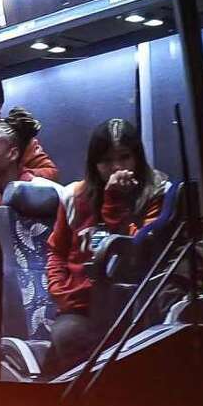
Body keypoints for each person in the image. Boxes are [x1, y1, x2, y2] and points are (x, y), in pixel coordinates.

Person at [44, 118, 173, 374]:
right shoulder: (74, 196)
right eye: (106, 160)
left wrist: (115, 202)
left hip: (131, 302)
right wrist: (59, 289)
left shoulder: (157, 192)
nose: (116, 168)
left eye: (124, 157)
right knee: (68, 337)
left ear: (137, 157)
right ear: (94, 163)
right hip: (81, 305)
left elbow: (134, 251)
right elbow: (56, 251)